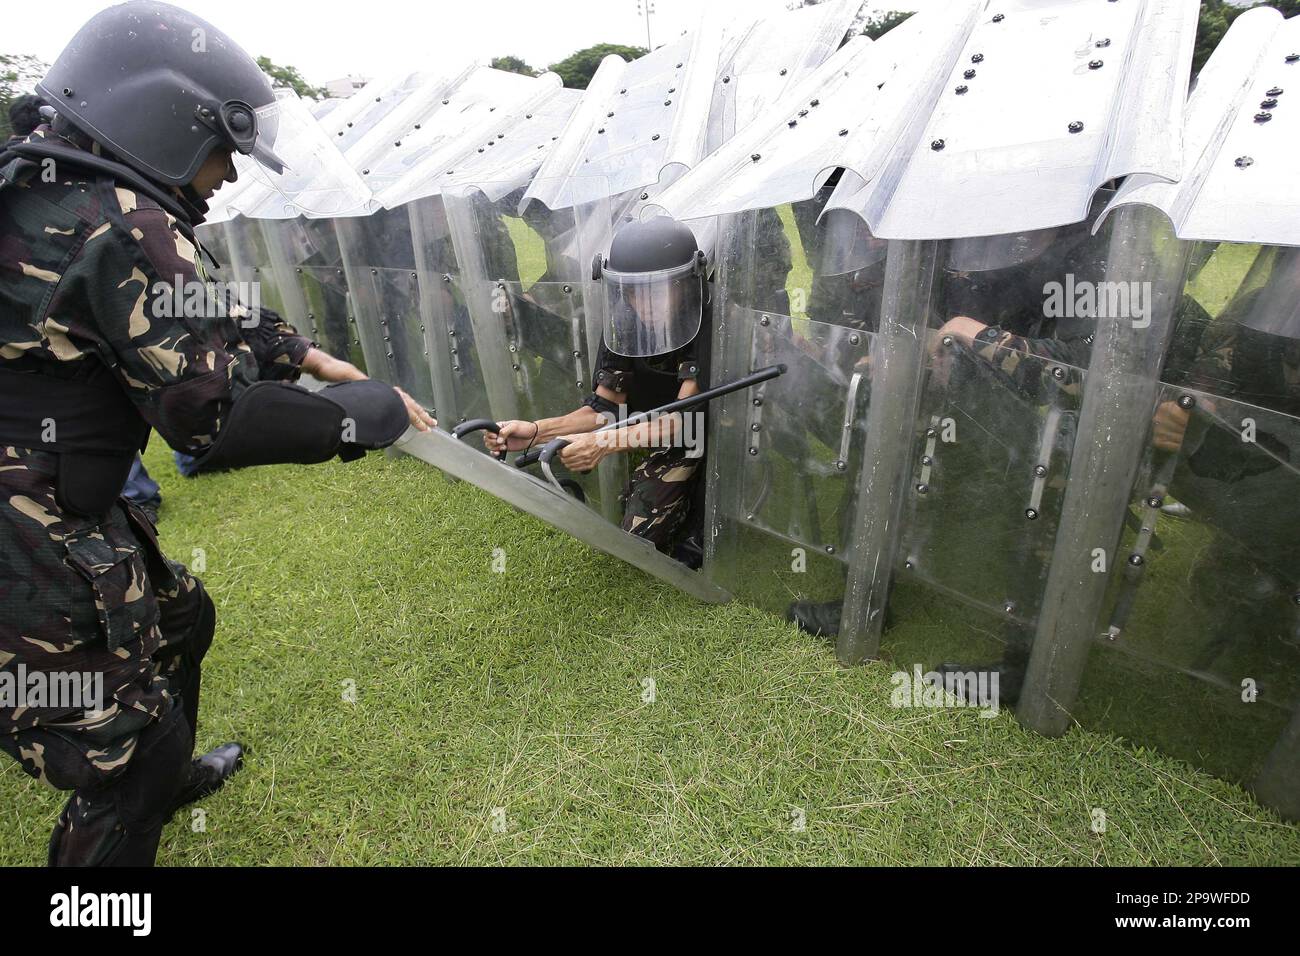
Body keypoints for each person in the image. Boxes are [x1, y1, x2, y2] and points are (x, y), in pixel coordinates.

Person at [0, 1, 424, 866]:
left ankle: (171, 766)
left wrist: (299, 350)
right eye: (223, 149)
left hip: (50, 489)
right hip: (26, 528)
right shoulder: (122, 220)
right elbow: (213, 416)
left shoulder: (47, 186)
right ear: (163, 115)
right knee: (122, 756)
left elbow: (183, 311)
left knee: (183, 618)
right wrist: (362, 415)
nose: (228, 174)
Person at [484, 215, 711, 564]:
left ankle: (702, 513)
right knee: (634, 539)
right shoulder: (623, 321)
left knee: (644, 544)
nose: (644, 303)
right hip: (655, 430)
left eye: (657, 289)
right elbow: (604, 410)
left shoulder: (708, 321)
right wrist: (535, 432)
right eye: (633, 291)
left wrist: (604, 443)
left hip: (707, 433)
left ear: (685, 284)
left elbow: (683, 424)